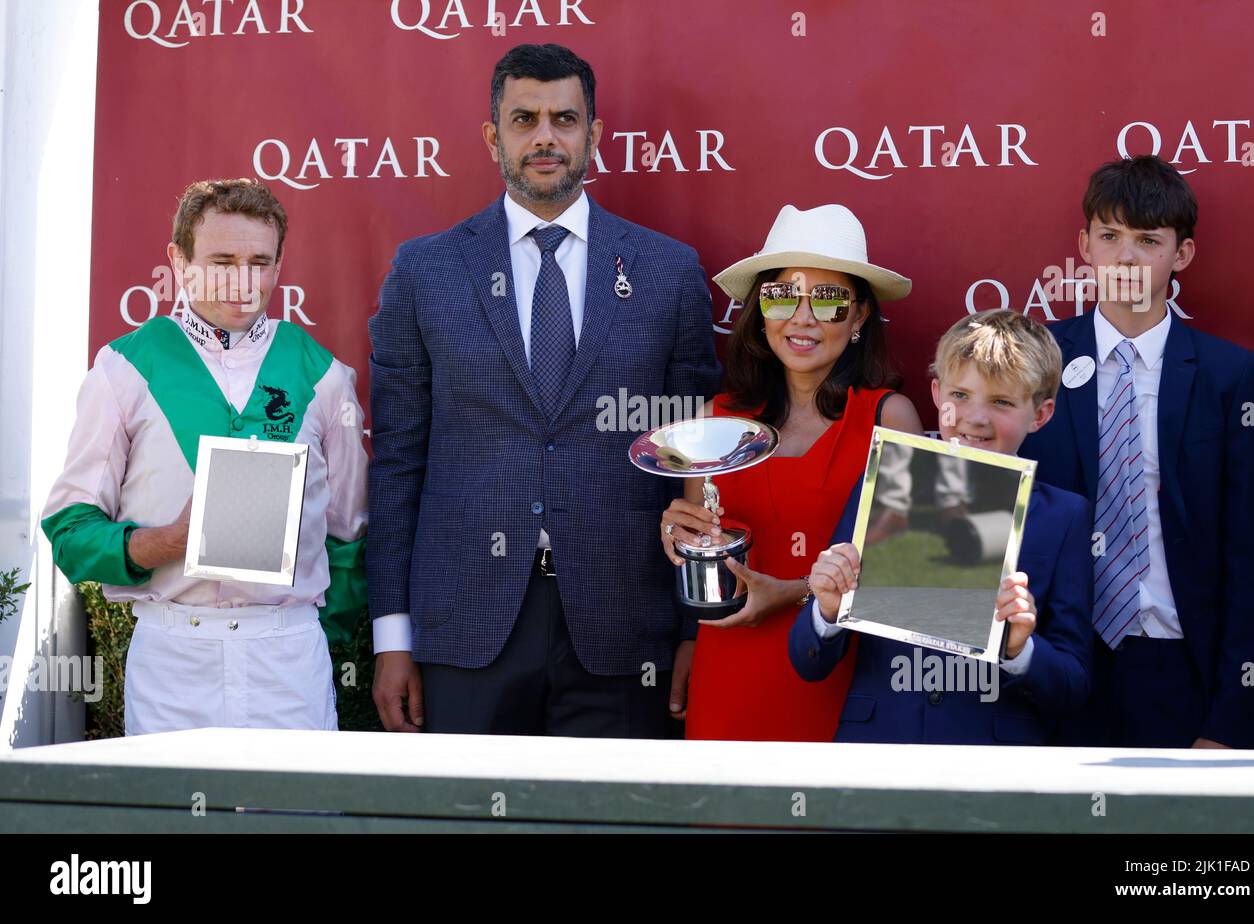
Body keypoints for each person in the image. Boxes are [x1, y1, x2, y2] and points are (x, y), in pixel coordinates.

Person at [367, 44, 720, 737]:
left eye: (565, 118)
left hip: (624, 626)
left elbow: (694, 463)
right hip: (465, 627)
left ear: (593, 133)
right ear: (493, 136)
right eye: (524, 119)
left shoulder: (668, 273)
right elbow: (398, 462)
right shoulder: (425, 271)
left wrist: (692, 629)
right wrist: (392, 639)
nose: (545, 137)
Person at [41, 178, 368, 734]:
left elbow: (349, 537)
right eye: (221, 260)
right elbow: (70, 531)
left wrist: (311, 632)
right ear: (179, 260)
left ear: (279, 264)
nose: (243, 282)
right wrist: (164, 542)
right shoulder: (123, 369)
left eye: (259, 262)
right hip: (172, 657)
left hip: (290, 660)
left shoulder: (325, 376)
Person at [1020, 155, 1254, 749]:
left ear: (1180, 254)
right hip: (1052, 655)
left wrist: (1230, 721)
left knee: (1174, 840)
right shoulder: (1039, 357)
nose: (1126, 258)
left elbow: (1246, 552)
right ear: (1083, 245)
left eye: (1148, 240)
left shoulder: (1226, 374)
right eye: (1109, 236)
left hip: (1177, 662)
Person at [660, 203, 924, 741]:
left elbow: (916, 581)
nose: (802, 318)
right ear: (760, 310)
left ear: (860, 316)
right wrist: (679, 536)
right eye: (783, 296)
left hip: (842, 681)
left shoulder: (889, 419)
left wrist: (798, 592)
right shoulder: (713, 420)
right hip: (727, 680)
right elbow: (700, 558)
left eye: (828, 301)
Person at [790, 310, 1093, 744]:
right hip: (879, 750)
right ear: (936, 393)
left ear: (1041, 413)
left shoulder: (1064, 516)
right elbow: (808, 661)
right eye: (961, 395)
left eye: (1002, 402)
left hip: (994, 762)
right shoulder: (883, 485)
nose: (975, 418)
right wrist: (826, 611)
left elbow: (1074, 685)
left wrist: (1019, 649)